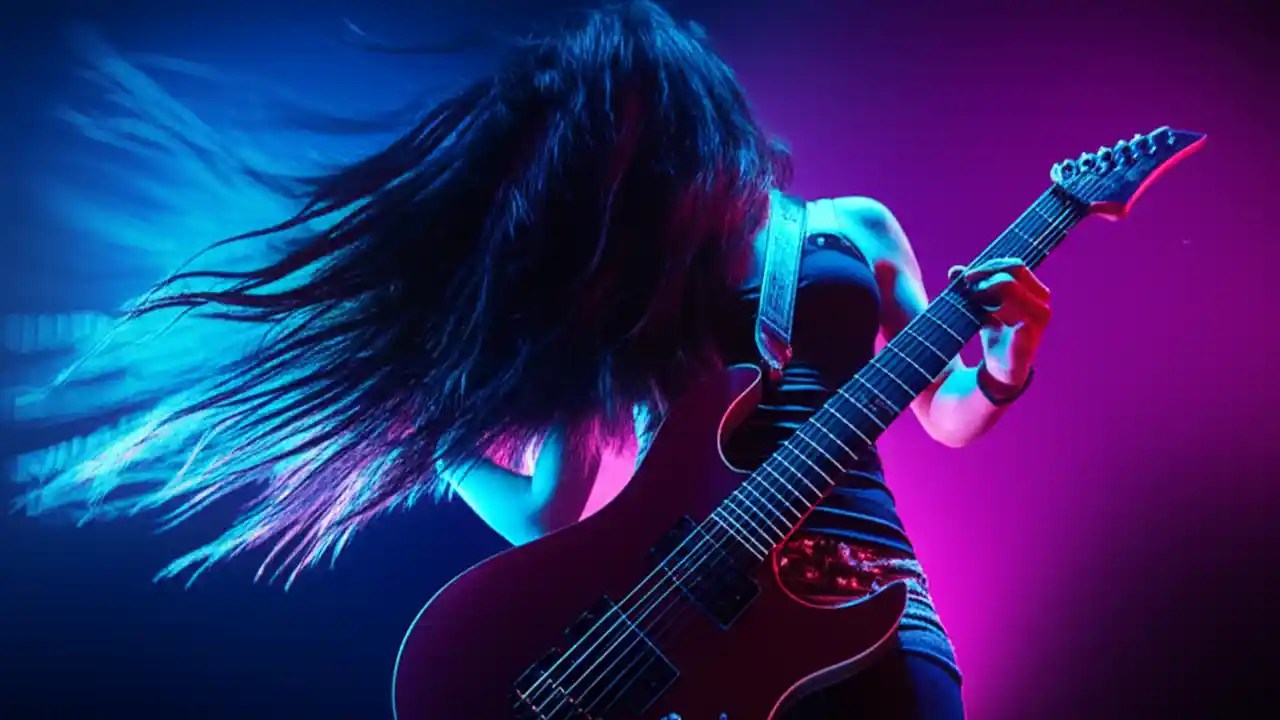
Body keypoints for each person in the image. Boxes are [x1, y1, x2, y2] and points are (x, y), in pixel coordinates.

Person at [12, 2, 1051, 717]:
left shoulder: (851, 230)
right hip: (707, 627)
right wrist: (433, 444)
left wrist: (1004, 358)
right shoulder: (615, 285)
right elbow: (550, 515)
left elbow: (942, 414)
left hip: (873, 597)